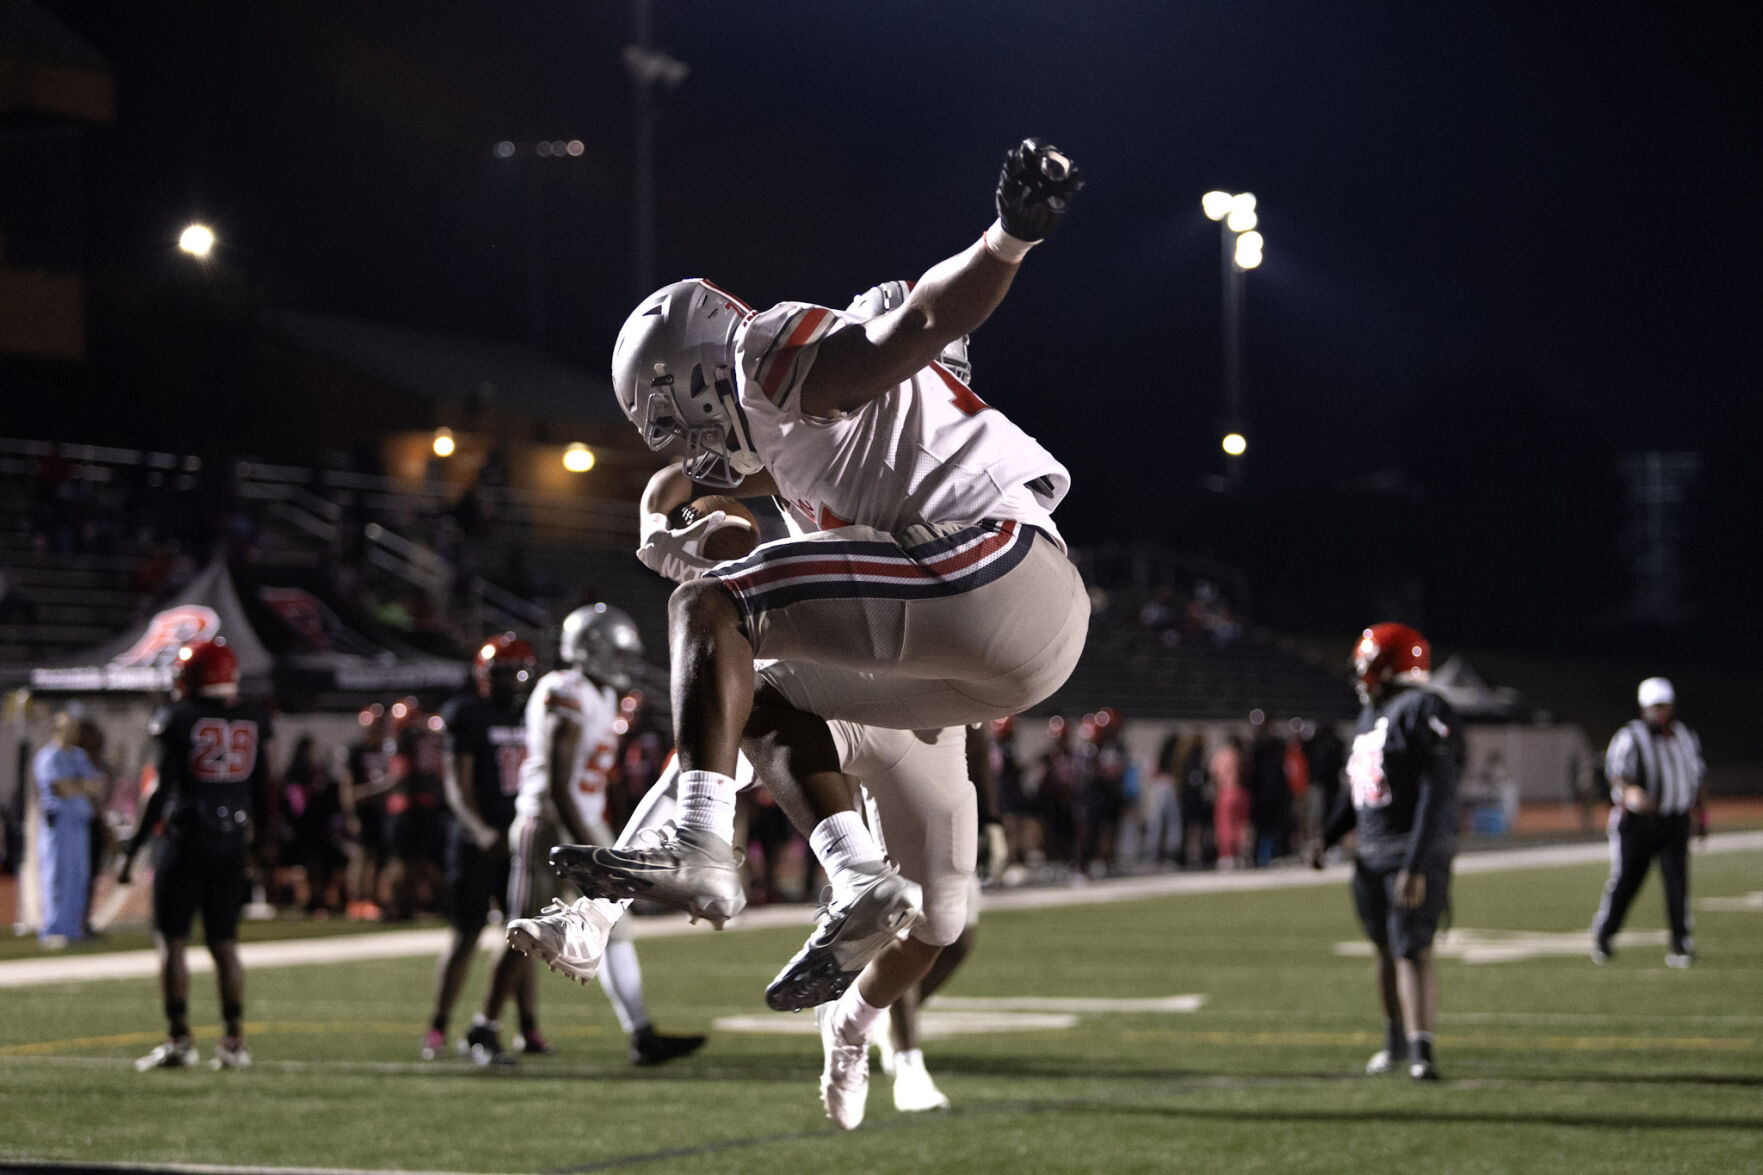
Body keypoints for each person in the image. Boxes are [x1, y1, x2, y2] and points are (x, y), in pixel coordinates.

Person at [553, 139, 1089, 1035]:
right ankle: (854, 881)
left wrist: (1007, 238)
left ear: (694, 374)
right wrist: (656, 517)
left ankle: (701, 845)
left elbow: (918, 320)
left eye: (674, 415)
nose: (686, 442)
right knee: (752, 696)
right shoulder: (802, 439)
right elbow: (702, 476)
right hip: (998, 649)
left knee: (711, 608)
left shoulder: (769, 361)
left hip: (991, 568)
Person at [504, 604, 705, 1065]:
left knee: (610, 925)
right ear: (591, 649)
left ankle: (641, 1032)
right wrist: (589, 849)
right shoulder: (567, 689)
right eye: (617, 653)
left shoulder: (601, 694)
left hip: (580, 821)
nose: (623, 663)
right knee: (522, 932)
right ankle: (486, 1025)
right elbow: (559, 783)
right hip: (552, 821)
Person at [1309, 623, 1462, 1082]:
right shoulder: (1371, 715)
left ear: (1390, 667)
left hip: (1406, 850)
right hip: (1371, 852)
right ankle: (1395, 1043)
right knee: (1383, 949)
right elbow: (1359, 789)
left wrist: (1417, 863)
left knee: (1412, 949)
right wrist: (1327, 836)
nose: (1360, 676)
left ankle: (1421, 1051)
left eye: (1366, 666)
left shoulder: (1422, 708)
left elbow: (1438, 791)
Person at [118, 637, 276, 1071]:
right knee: (225, 945)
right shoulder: (253, 718)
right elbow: (263, 789)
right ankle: (234, 1041)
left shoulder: (179, 718)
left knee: (172, 942)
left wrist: (133, 850)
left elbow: (161, 792)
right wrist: (262, 848)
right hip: (231, 842)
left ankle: (179, 1038)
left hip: (186, 839)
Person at [421, 634, 538, 1066]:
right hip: (477, 841)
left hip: (520, 837)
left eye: (518, 673)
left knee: (524, 934)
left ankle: (528, 1027)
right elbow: (457, 785)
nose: (513, 682)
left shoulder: (534, 712)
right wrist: (481, 830)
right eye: (505, 673)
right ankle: (438, 1025)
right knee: (466, 934)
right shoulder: (466, 713)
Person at [1589, 677, 1706, 968]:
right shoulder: (1631, 736)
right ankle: (1604, 934)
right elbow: (1616, 772)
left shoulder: (1684, 735)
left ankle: (1680, 944)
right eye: (1656, 706)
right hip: (1638, 824)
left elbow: (1697, 777)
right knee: (1626, 881)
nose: (1661, 711)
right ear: (1645, 707)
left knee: (1677, 884)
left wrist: (1701, 817)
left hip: (1675, 821)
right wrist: (1630, 791)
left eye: (1665, 705)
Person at [32, 710, 104, 946]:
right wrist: (81, 786)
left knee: (79, 877)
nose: (73, 733)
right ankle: (54, 929)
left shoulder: (78, 756)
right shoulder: (48, 757)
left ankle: (74, 928)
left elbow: (96, 785)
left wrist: (77, 786)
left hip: (79, 825)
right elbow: (61, 788)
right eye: (68, 728)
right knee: (57, 877)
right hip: (59, 826)